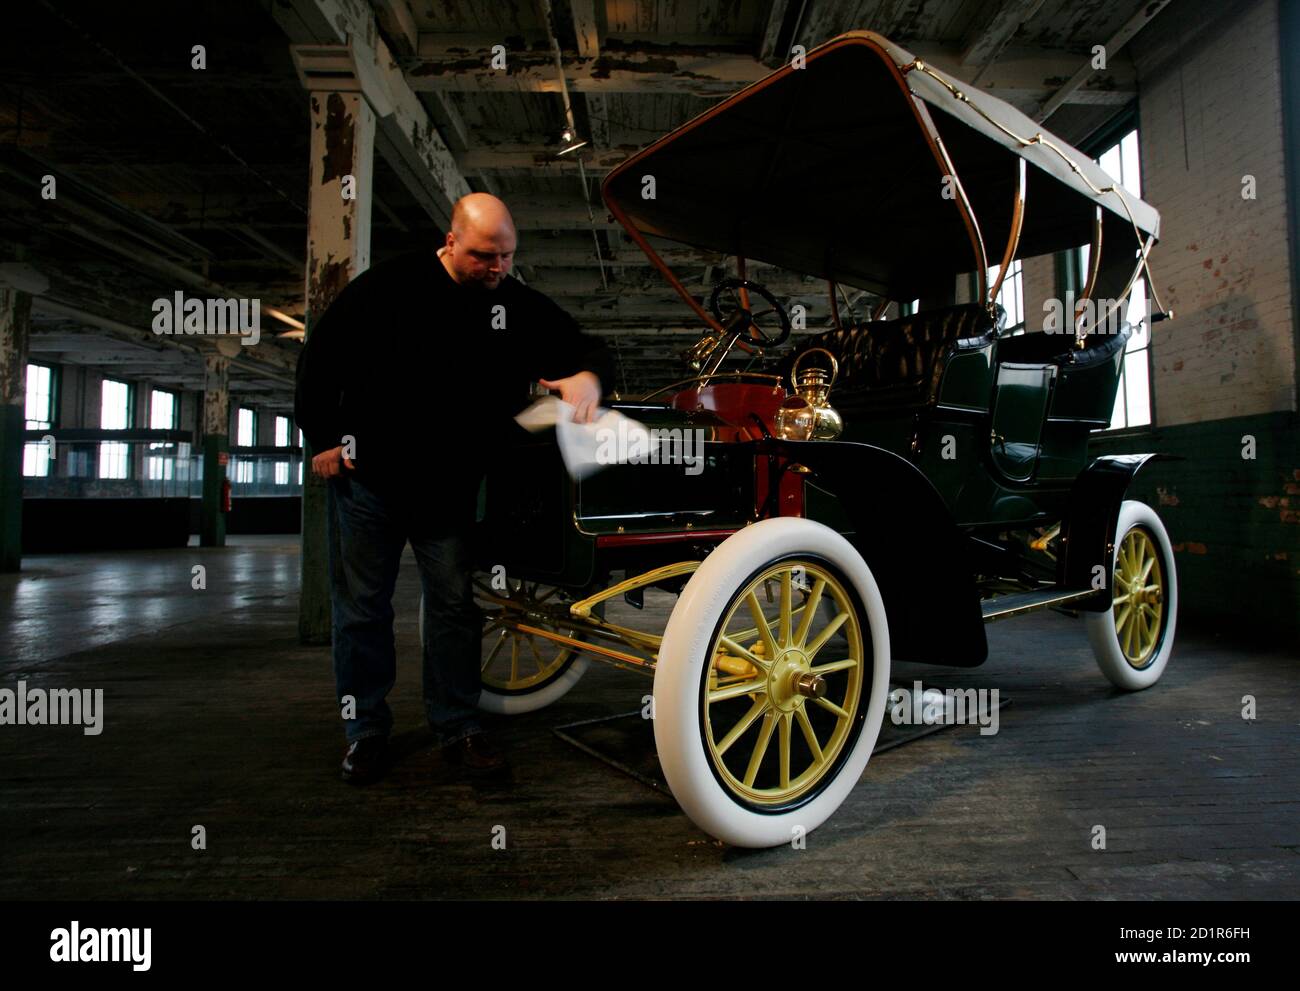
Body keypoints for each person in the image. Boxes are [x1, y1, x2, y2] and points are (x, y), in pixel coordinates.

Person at [294, 192, 613, 784]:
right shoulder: (385, 288)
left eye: (506, 258)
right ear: (450, 241)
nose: (496, 269)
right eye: (483, 257)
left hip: (448, 490)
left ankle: (459, 725)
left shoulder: (511, 304)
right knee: (362, 610)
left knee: (453, 609)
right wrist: (322, 437)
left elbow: (583, 345)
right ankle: (364, 731)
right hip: (372, 481)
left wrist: (588, 375)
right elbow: (322, 357)